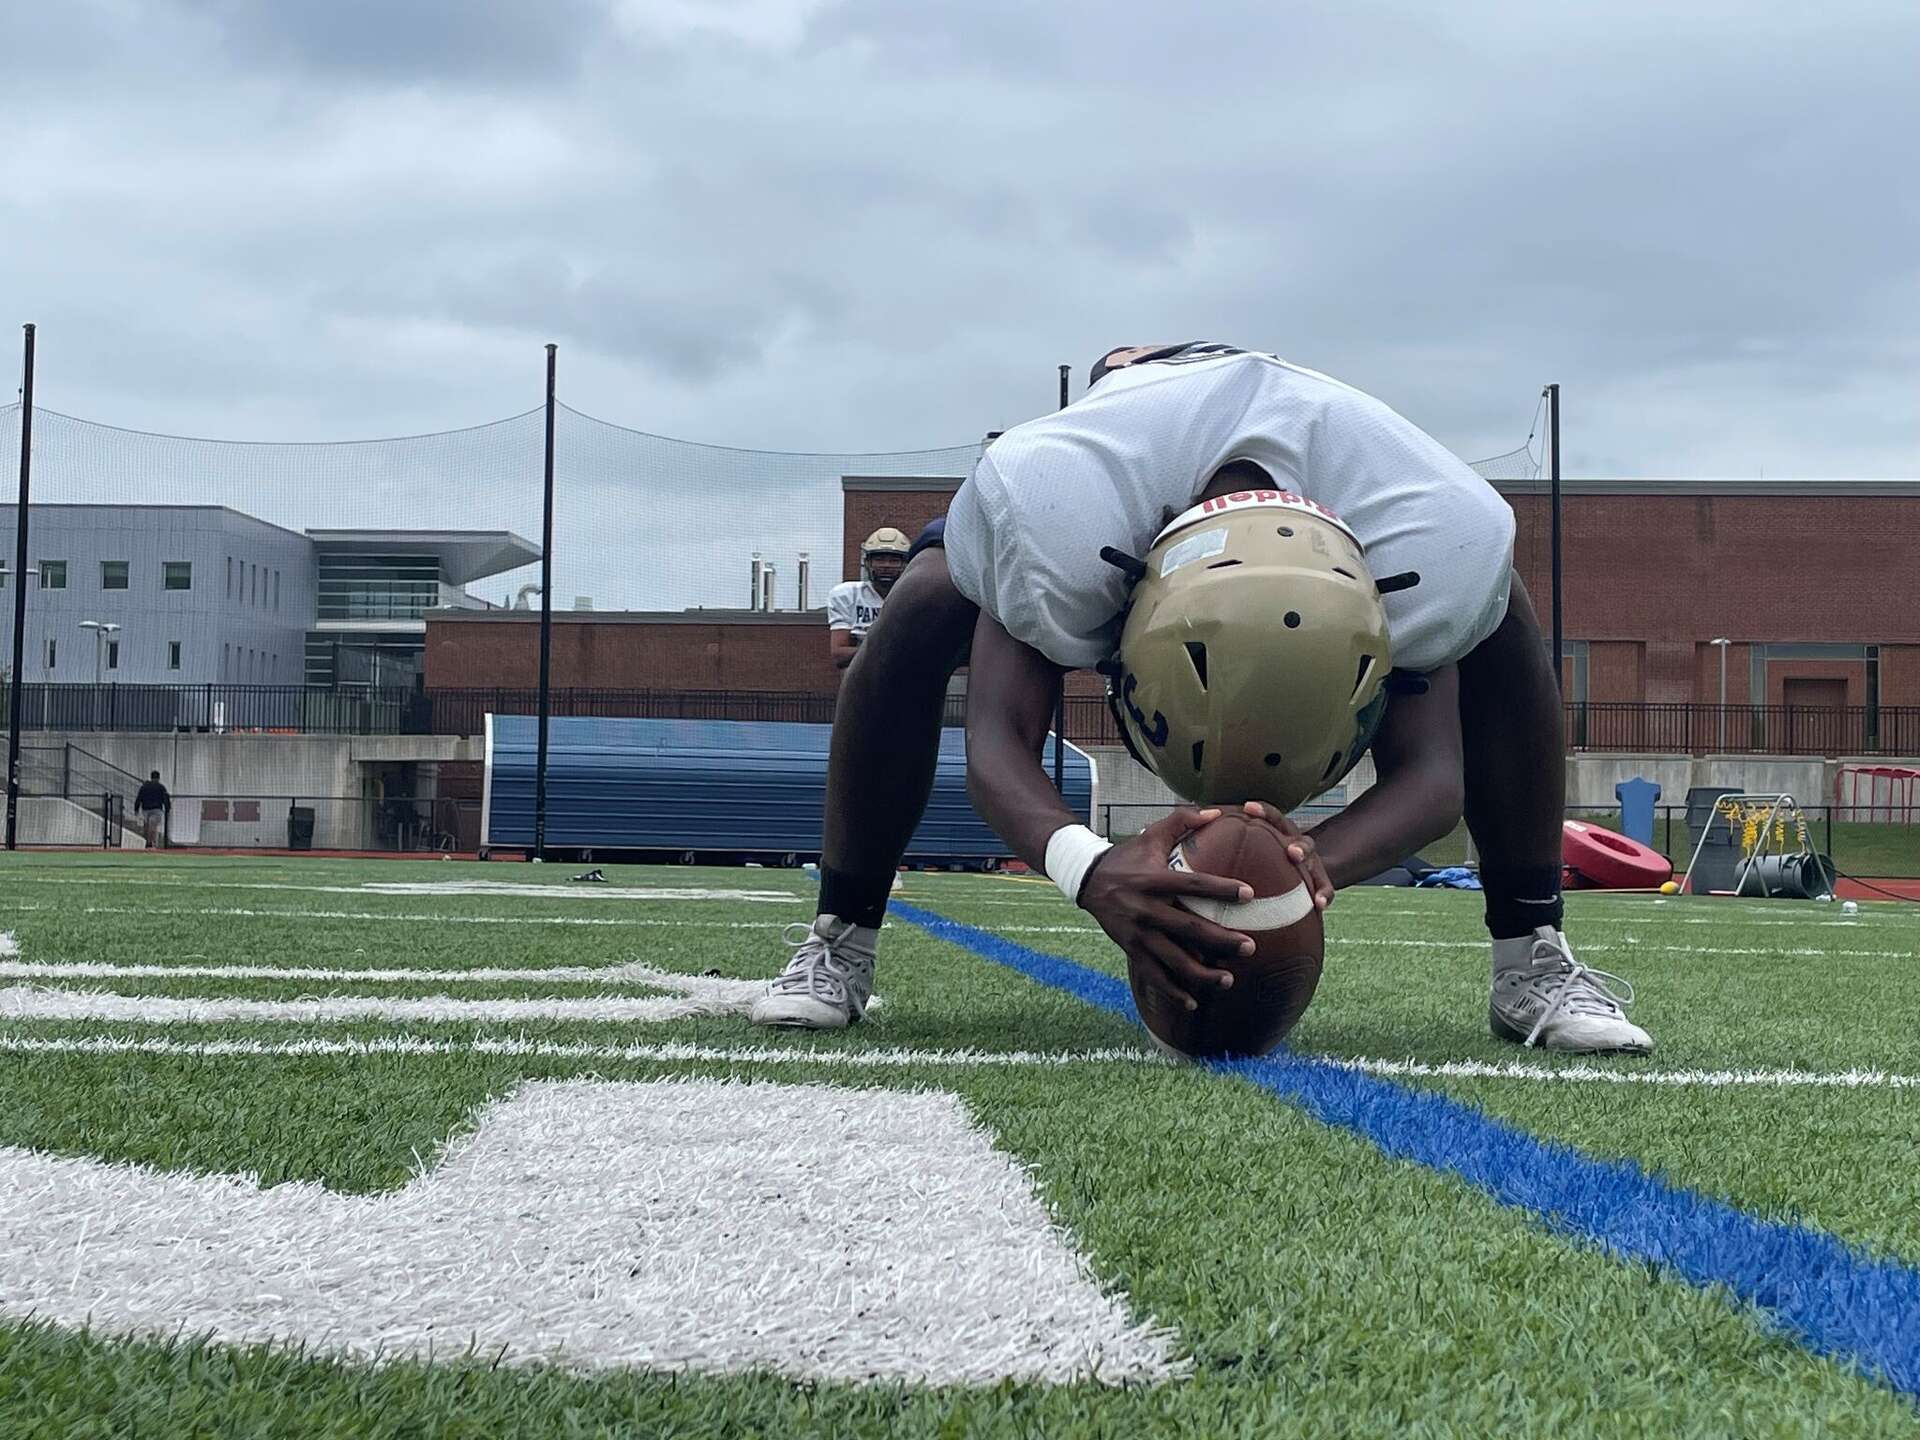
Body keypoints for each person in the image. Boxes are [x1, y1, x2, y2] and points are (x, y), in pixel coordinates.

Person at [751, 341, 1651, 1055]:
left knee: (1503, 610)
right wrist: (1089, 867)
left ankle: (1532, 951)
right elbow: (996, 739)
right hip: (1139, 407)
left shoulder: (1427, 535)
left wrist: (1305, 872)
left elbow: (1434, 776)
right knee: (922, 603)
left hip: (1314, 435)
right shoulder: (1059, 512)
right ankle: (841, 934)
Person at [825, 527, 912, 671]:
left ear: (904, 564)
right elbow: (838, 654)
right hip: (861, 677)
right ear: (867, 563)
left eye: (894, 560)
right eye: (879, 559)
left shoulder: (914, 596)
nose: (886, 566)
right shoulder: (847, 595)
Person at [134, 770, 170, 849]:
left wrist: (136, 809)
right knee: (153, 826)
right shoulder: (161, 787)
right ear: (158, 778)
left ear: (151, 777)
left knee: (147, 826)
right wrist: (167, 808)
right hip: (157, 809)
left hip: (146, 809)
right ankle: (152, 842)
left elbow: (139, 798)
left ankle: (147, 842)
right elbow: (165, 798)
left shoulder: (144, 787)